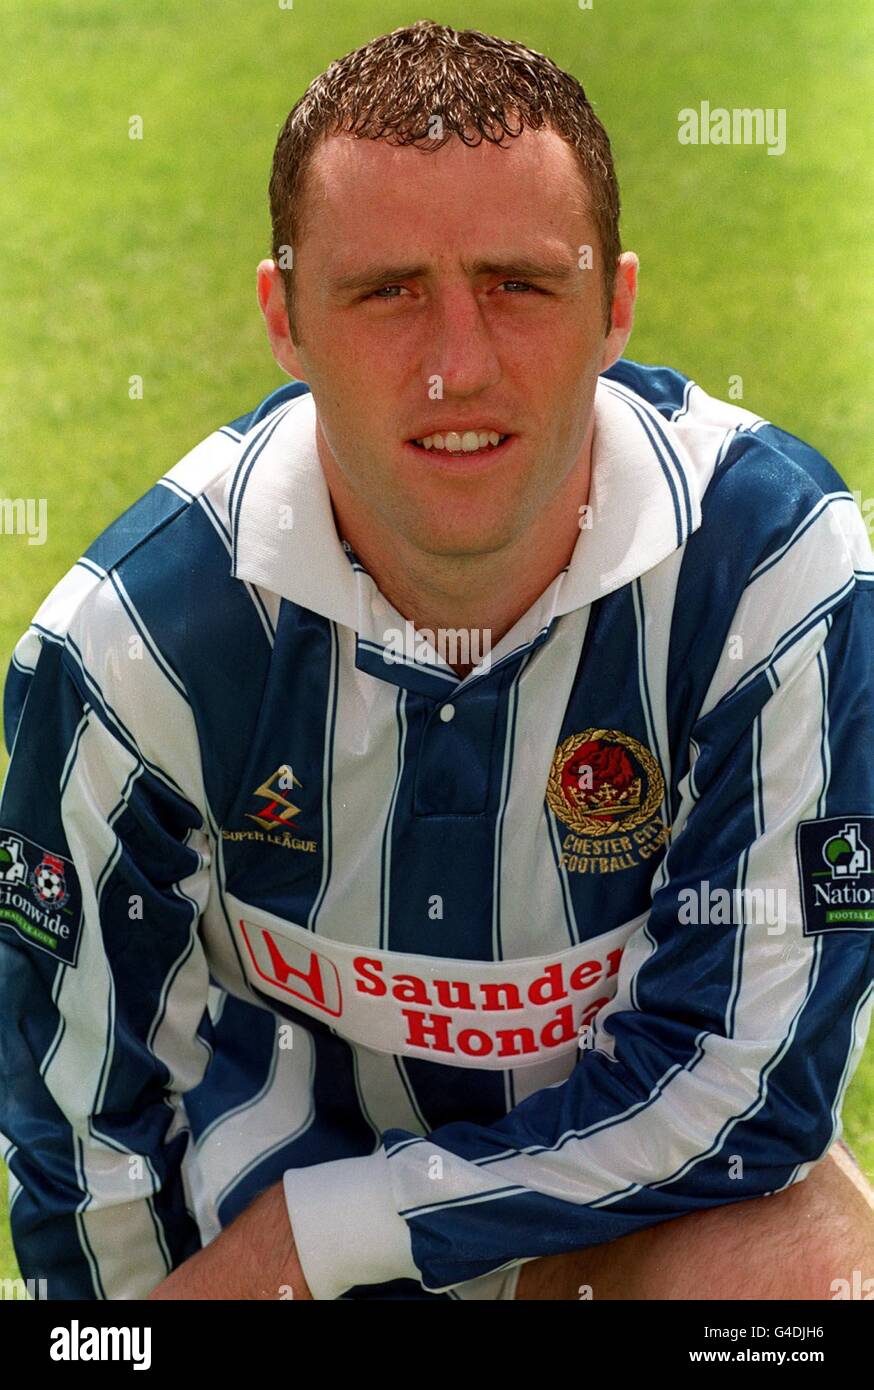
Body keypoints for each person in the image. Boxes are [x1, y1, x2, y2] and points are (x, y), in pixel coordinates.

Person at [1, 20, 872, 1302]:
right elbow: (84, 1144)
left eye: (519, 284)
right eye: (386, 290)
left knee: (805, 1285)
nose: (457, 365)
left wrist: (325, 1233)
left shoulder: (772, 578)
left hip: (585, 1237)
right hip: (254, 1269)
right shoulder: (135, 653)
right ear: (284, 320)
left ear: (614, 307)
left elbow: (750, 1089)